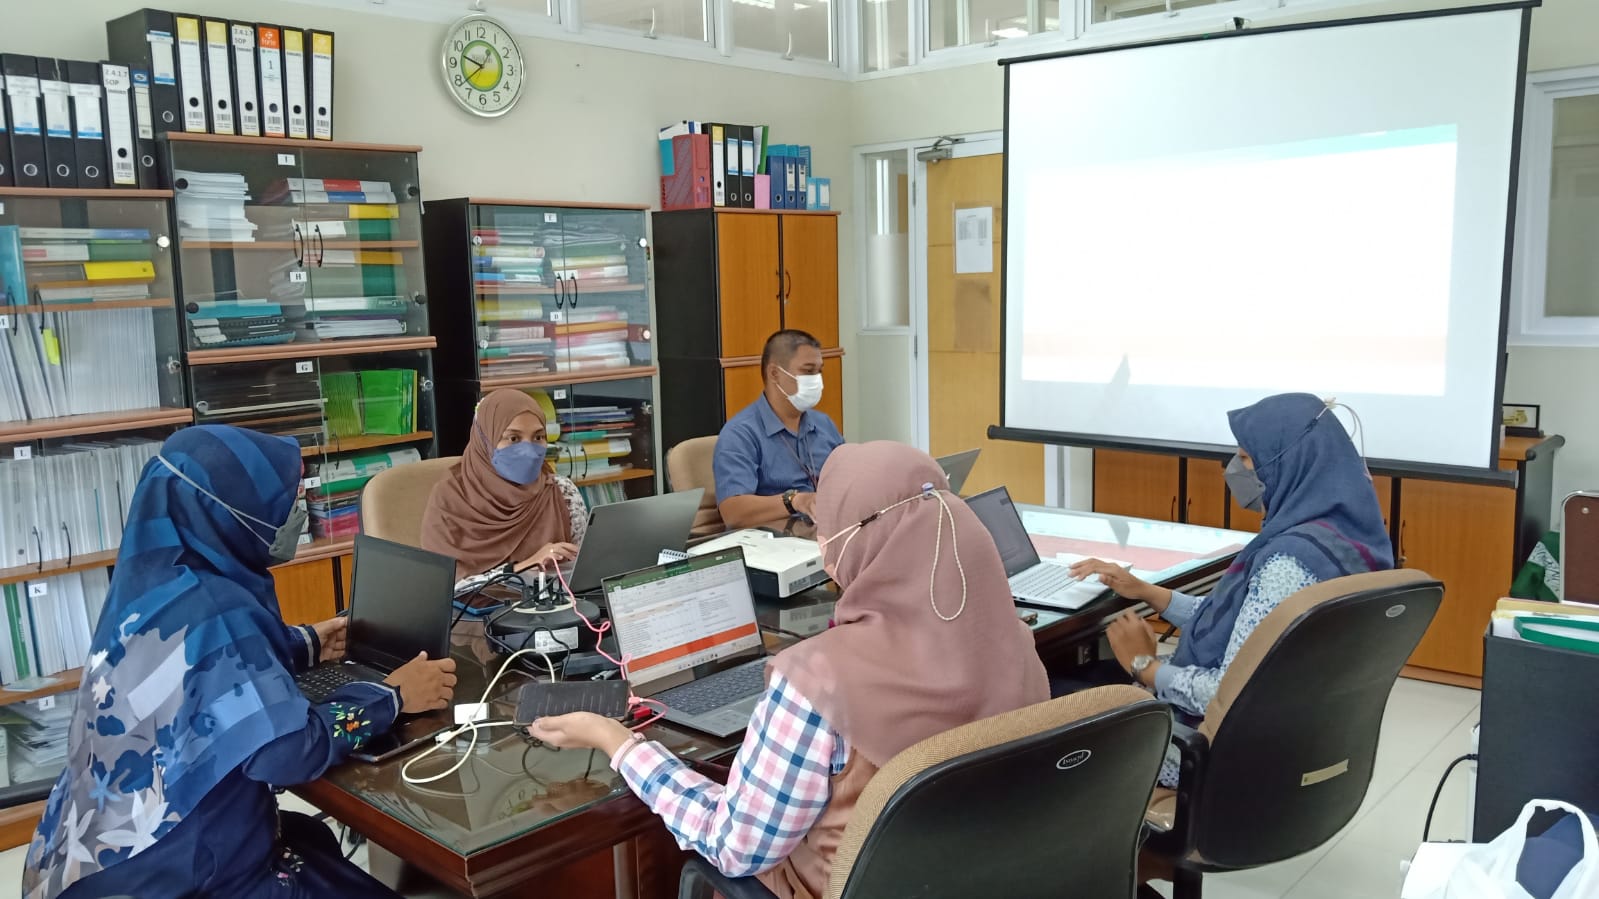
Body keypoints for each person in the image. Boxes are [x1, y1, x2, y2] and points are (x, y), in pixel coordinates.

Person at [528, 442, 1049, 898]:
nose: (822, 546)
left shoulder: (818, 681)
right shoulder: (1017, 643)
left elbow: (733, 846)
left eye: (827, 529)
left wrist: (617, 742)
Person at [23, 425, 457, 899]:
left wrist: (308, 643)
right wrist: (392, 696)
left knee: (315, 839)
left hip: (89, 861)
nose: (296, 516)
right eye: (287, 503)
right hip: (185, 875)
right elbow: (287, 753)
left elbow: (193, 672)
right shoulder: (218, 606)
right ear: (234, 511)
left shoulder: (148, 585)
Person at [1069, 393, 1393, 784]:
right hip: (1288, 739)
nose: (1235, 468)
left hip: (1208, 748)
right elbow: (1254, 625)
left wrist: (1145, 667)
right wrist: (1150, 593)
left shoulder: (1290, 562)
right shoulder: (1349, 537)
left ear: (1288, 463)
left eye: (1246, 457)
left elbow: (1229, 694)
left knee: (1055, 702)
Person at [422, 389, 590, 581]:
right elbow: (445, 587)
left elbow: (584, 569)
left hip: (556, 607)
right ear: (485, 441)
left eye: (538, 437)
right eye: (513, 439)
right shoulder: (450, 500)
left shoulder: (562, 491)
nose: (528, 451)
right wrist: (526, 566)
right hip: (474, 610)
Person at [714, 329, 844, 529]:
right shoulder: (740, 434)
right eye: (808, 371)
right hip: (776, 546)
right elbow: (733, 512)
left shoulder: (823, 424)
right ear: (775, 374)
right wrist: (794, 501)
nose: (817, 380)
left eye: (819, 371)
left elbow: (848, 477)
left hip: (828, 534)